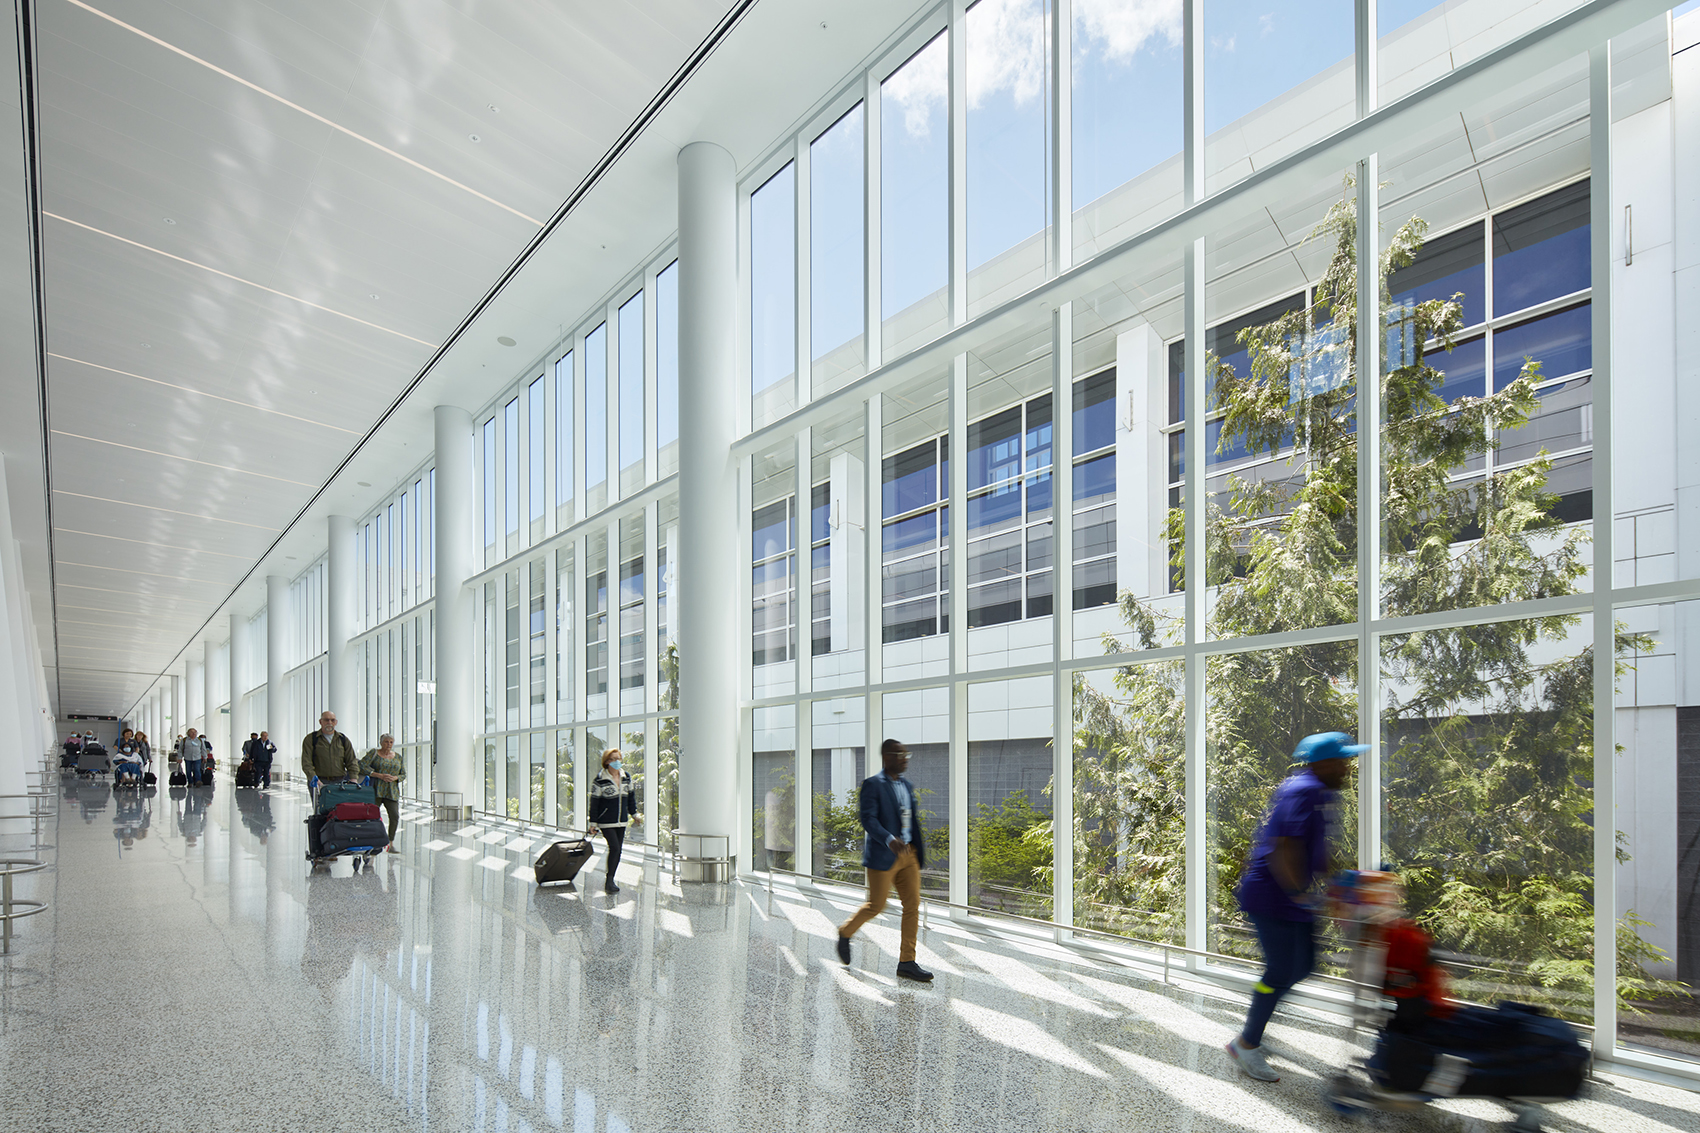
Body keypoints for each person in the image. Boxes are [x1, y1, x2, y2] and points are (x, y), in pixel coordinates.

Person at [1225, 731, 1364, 1083]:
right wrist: (1299, 895)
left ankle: (1256, 1024)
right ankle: (1247, 1042)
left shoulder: (1323, 794)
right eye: (1343, 760)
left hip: (1295, 895)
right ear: (1324, 764)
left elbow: (1317, 849)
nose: (1348, 766)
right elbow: (1282, 847)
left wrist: (1340, 883)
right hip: (1272, 896)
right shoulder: (1301, 790)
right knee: (1280, 971)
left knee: (1305, 966)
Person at [835, 739, 933, 982]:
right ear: (886, 757)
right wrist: (889, 840)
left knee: (912, 906)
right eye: (899, 754)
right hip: (884, 854)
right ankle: (845, 932)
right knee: (876, 905)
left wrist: (917, 852)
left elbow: (912, 820)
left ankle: (907, 962)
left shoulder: (907, 785)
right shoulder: (872, 785)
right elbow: (868, 820)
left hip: (908, 855)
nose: (905, 758)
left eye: (905, 754)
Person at [587, 749, 636, 894]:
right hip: (606, 821)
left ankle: (611, 877)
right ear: (607, 761)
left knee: (618, 850)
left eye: (619, 758)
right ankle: (609, 881)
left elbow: (631, 798)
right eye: (614, 759)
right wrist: (593, 824)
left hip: (621, 821)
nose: (617, 761)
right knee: (614, 847)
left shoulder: (626, 777)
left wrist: (634, 814)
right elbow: (594, 803)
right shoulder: (600, 779)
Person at [360, 733, 406, 853]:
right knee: (371, 816)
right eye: (386, 742)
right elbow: (361, 766)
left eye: (391, 742)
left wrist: (395, 778)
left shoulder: (398, 757)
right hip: (376, 790)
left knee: (394, 816)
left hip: (392, 791)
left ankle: (390, 843)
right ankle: (370, 841)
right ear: (381, 743)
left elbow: (403, 774)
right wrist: (378, 775)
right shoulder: (374, 753)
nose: (389, 744)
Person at [300, 711, 361, 790]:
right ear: (320, 722)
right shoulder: (311, 739)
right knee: (320, 802)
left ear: (336, 722)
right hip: (319, 781)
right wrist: (314, 779)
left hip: (340, 781)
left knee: (340, 803)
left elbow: (351, 760)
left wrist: (354, 778)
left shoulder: (343, 739)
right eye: (326, 720)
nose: (329, 722)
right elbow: (306, 762)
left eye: (332, 720)